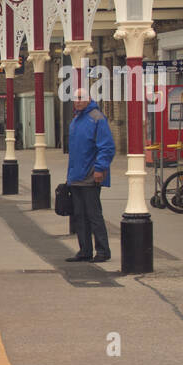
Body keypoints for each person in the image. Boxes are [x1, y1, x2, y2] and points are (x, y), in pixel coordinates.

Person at [65, 84, 115, 263]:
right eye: (75, 99)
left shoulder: (97, 119)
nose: (77, 102)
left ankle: (102, 251)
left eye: (80, 98)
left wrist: (100, 169)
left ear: (88, 100)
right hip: (76, 176)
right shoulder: (75, 121)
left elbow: (107, 147)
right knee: (79, 215)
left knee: (93, 214)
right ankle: (84, 250)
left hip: (91, 175)